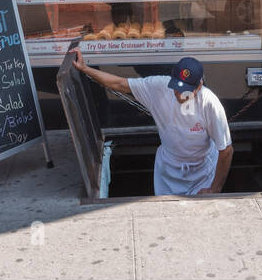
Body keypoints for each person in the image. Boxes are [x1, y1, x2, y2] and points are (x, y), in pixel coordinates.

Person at [72, 53, 233, 195]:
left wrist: (214, 188)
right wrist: (85, 69)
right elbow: (120, 84)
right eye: (176, 88)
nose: (179, 94)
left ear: (199, 86)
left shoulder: (210, 103)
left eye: (186, 90)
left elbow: (226, 150)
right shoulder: (158, 87)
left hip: (202, 172)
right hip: (169, 170)